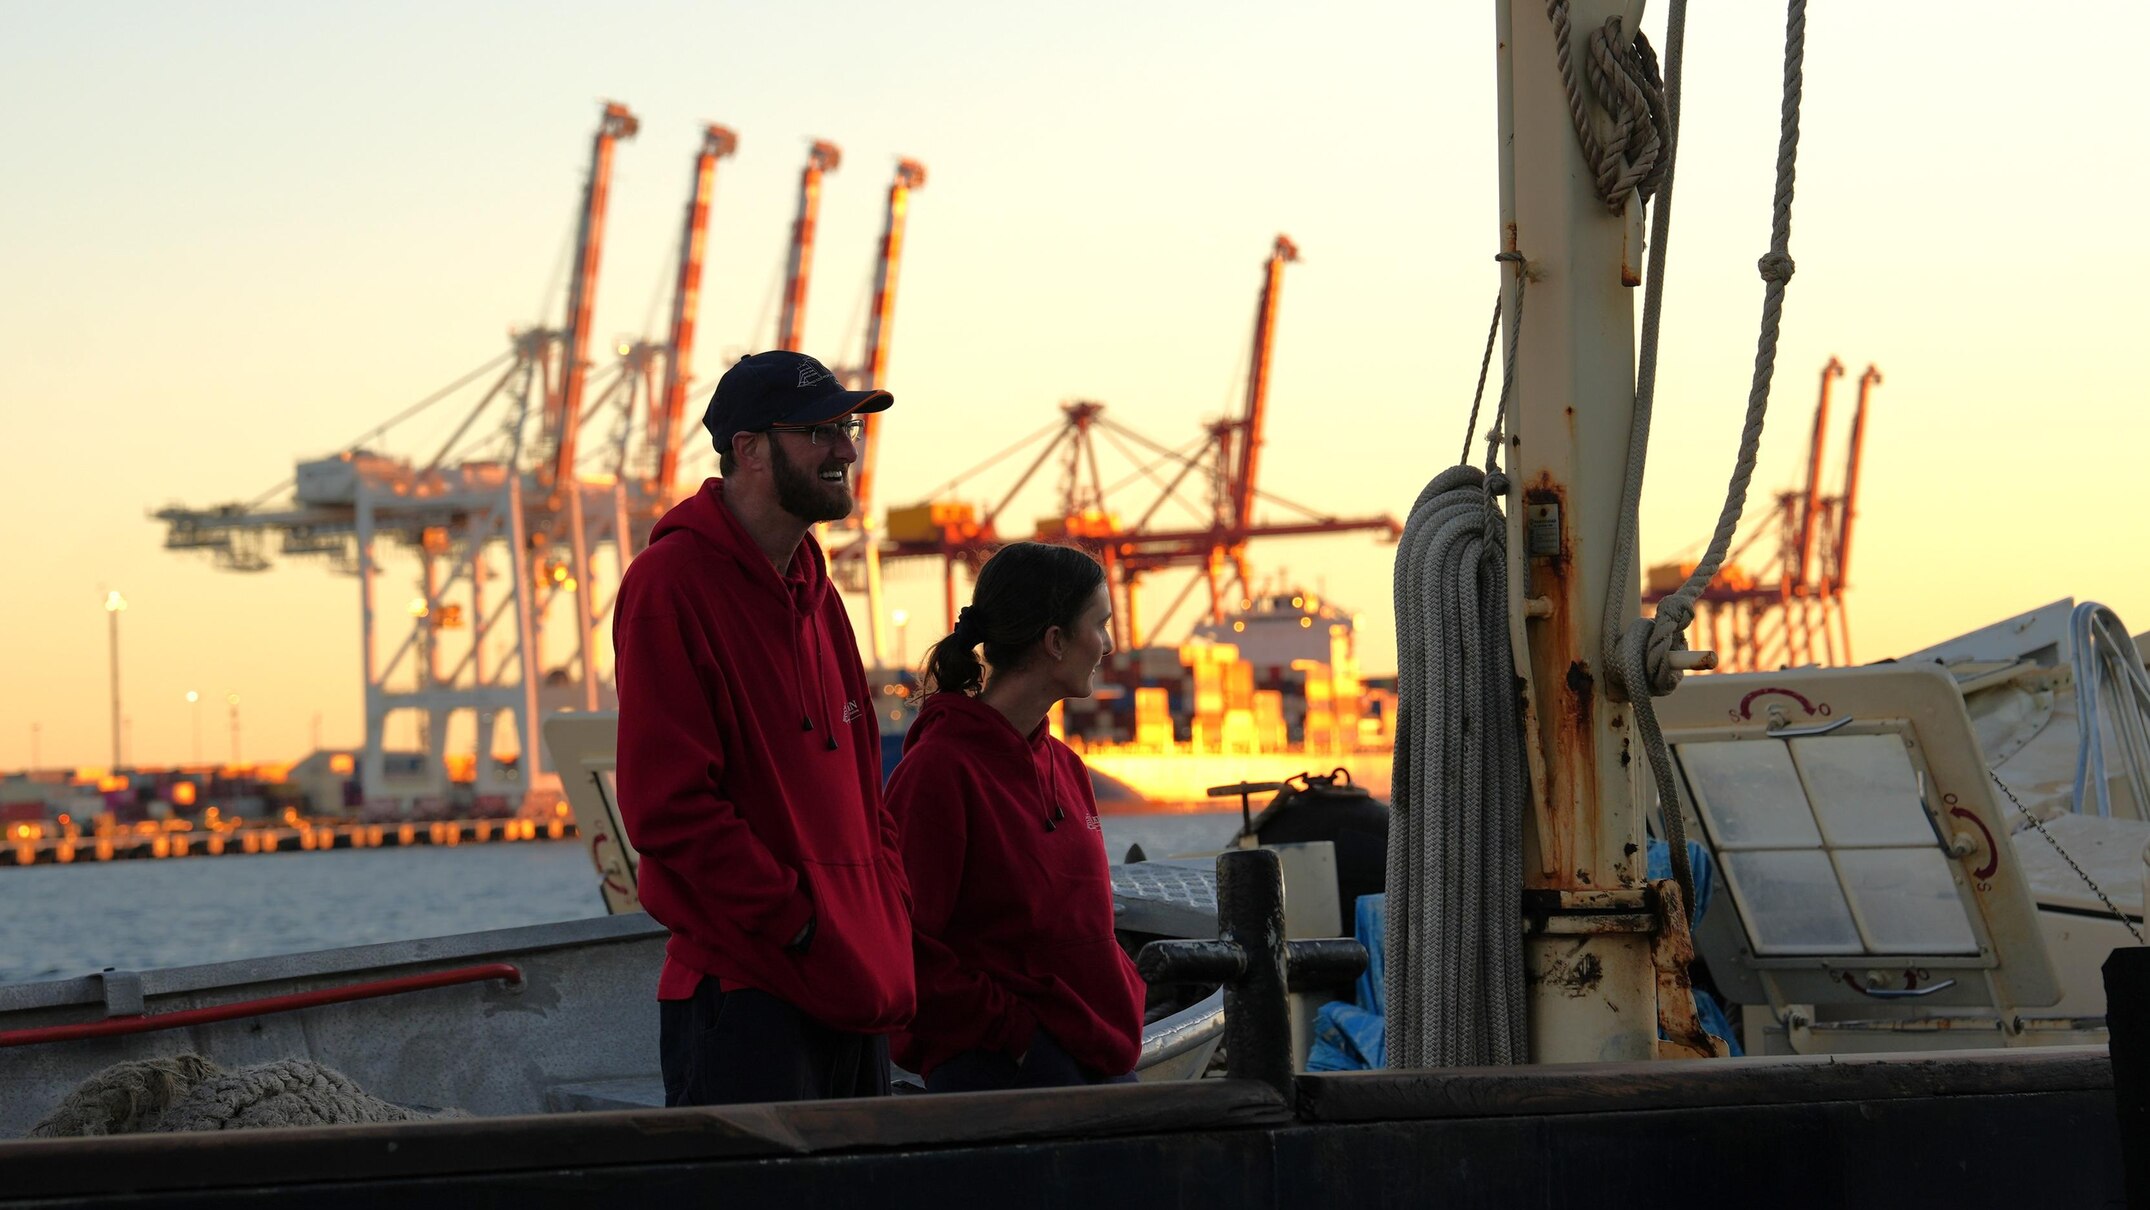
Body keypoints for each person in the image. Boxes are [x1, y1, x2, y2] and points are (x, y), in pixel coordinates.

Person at [612, 350, 914, 1106]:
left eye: (846, 427)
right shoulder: (669, 586)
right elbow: (667, 809)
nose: (845, 449)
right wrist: (801, 925)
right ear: (748, 448)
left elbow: (861, 798)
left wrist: (883, 912)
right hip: (744, 996)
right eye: (820, 431)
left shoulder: (819, 587)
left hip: (852, 987)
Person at [885, 541, 1149, 1091]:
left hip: (1094, 1055)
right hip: (1004, 1074)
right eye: (1099, 625)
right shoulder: (939, 773)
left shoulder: (1068, 769)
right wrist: (1019, 1038)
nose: (1107, 646)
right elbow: (904, 947)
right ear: (1054, 641)